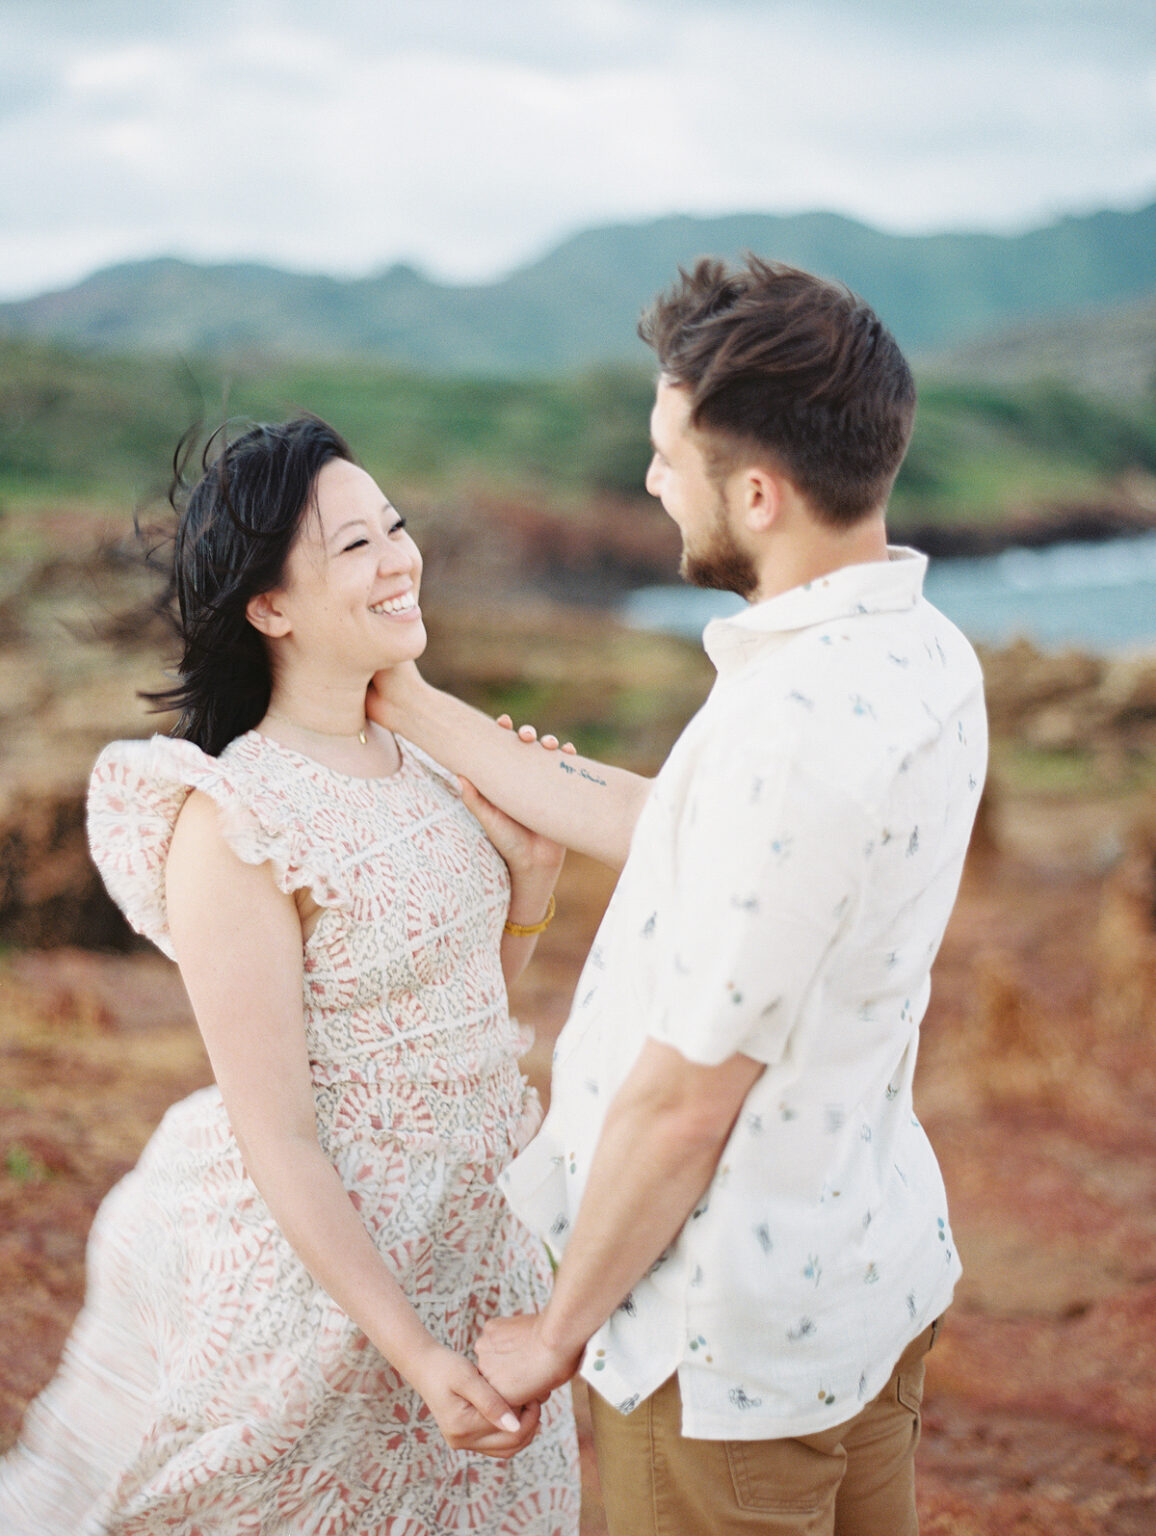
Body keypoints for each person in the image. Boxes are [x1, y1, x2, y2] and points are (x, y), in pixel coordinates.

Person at [368, 258, 988, 1535]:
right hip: (860, 1281)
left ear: (755, 494)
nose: (652, 482)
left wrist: (553, 1331)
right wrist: (419, 712)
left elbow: (684, 1098)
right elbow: (694, 837)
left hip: (724, 1358)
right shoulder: (916, 652)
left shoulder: (790, 729)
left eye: (667, 456)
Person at [0, 416, 580, 1534]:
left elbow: (460, 1013)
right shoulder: (234, 820)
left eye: (395, 528)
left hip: (477, 1236)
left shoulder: (423, 763)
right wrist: (411, 1352)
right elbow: (281, 1134)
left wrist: (531, 878)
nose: (400, 558)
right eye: (354, 546)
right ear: (269, 608)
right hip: (323, 1279)